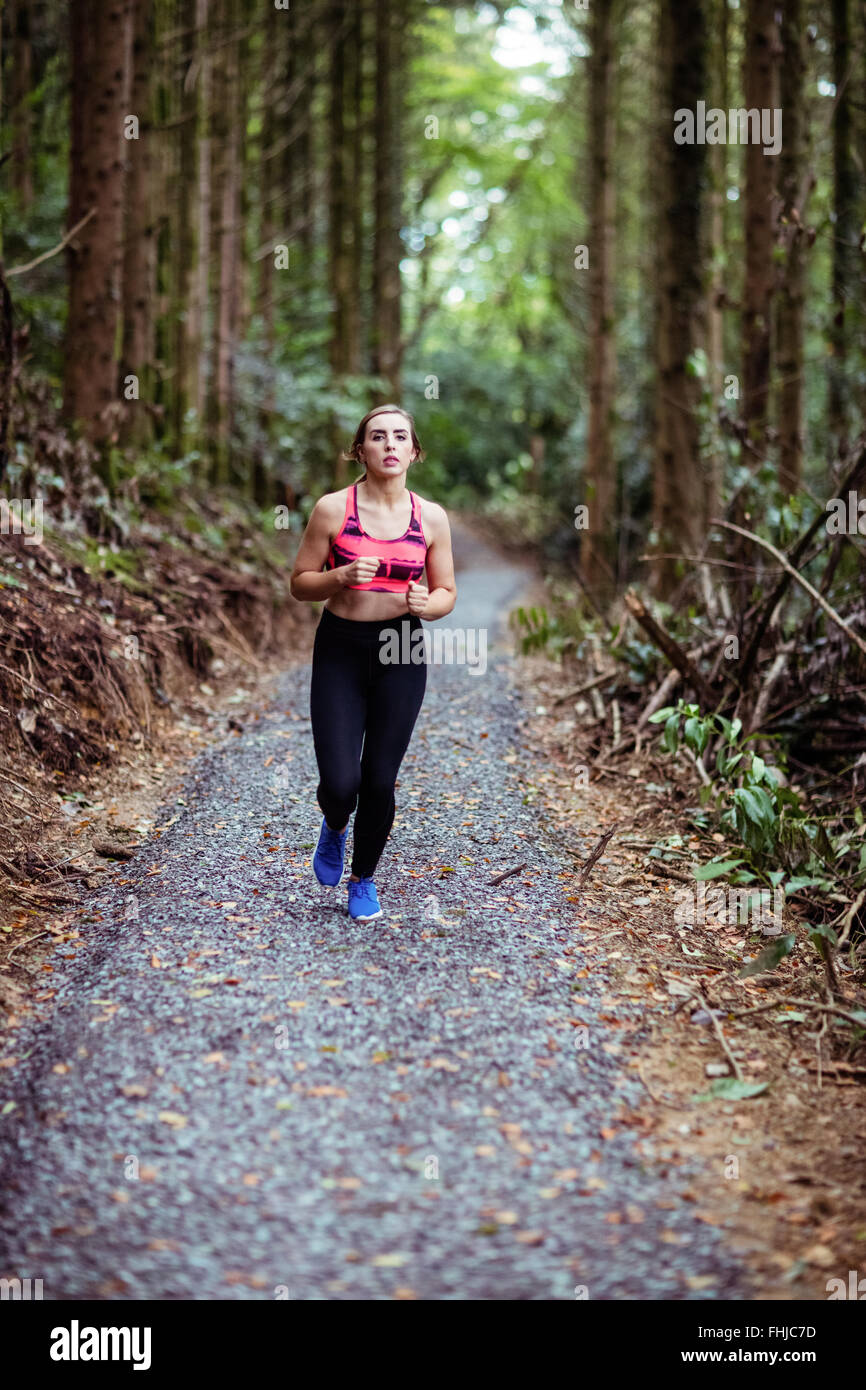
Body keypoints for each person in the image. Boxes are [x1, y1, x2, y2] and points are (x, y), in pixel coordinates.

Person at [289, 405, 457, 922]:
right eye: (377, 436)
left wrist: (430, 605)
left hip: (401, 649)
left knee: (380, 778)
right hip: (340, 646)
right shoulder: (333, 509)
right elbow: (299, 582)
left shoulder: (430, 517)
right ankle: (334, 822)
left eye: (399, 436)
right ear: (360, 450)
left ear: (413, 451)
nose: (389, 444)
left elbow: (447, 590)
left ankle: (363, 879)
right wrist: (339, 578)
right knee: (341, 783)